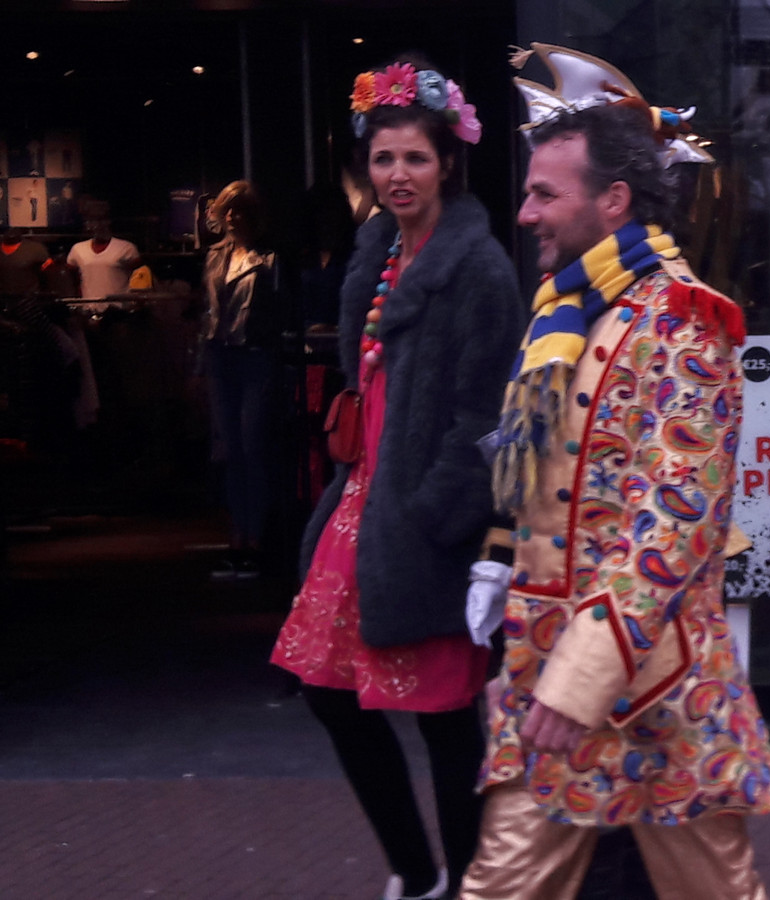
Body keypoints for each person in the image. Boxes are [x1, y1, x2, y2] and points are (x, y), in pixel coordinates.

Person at [461, 45, 770, 900]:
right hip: (546, 682)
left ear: (614, 202)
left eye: (543, 194)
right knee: (500, 886)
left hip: (654, 694)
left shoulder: (681, 323)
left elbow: (672, 525)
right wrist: (501, 556)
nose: (525, 213)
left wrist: (577, 682)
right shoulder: (568, 312)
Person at [269, 58, 522, 900]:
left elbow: (486, 421)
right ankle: (417, 872)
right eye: (383, 160)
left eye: (414, 158)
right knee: (330, 696)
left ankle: (470, 886)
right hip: (360, 508)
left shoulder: (480, 268)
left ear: (448, 160)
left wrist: (431, 516)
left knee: (447, 720)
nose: (397, 175)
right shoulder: (379, 250)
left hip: (419, 521)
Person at [200, 181, 285, 579]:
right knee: (231, 452)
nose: (232, 216)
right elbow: (207, 313)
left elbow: (282, 310)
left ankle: (256, 539)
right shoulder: (215, 256)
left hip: (255, 358)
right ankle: (237, 536)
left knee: (253, 449)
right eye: (228, 209)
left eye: (239, 210)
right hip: (222, 359)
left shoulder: (269, 258)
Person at [66, 214, 141, 299]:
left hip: (119, 307)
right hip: (89, 307)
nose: (98, 226)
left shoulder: (127, 248)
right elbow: (70, 277)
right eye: (93, 222)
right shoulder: (78, 249)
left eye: (101, 221)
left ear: (109, 223)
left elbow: (140, 276)